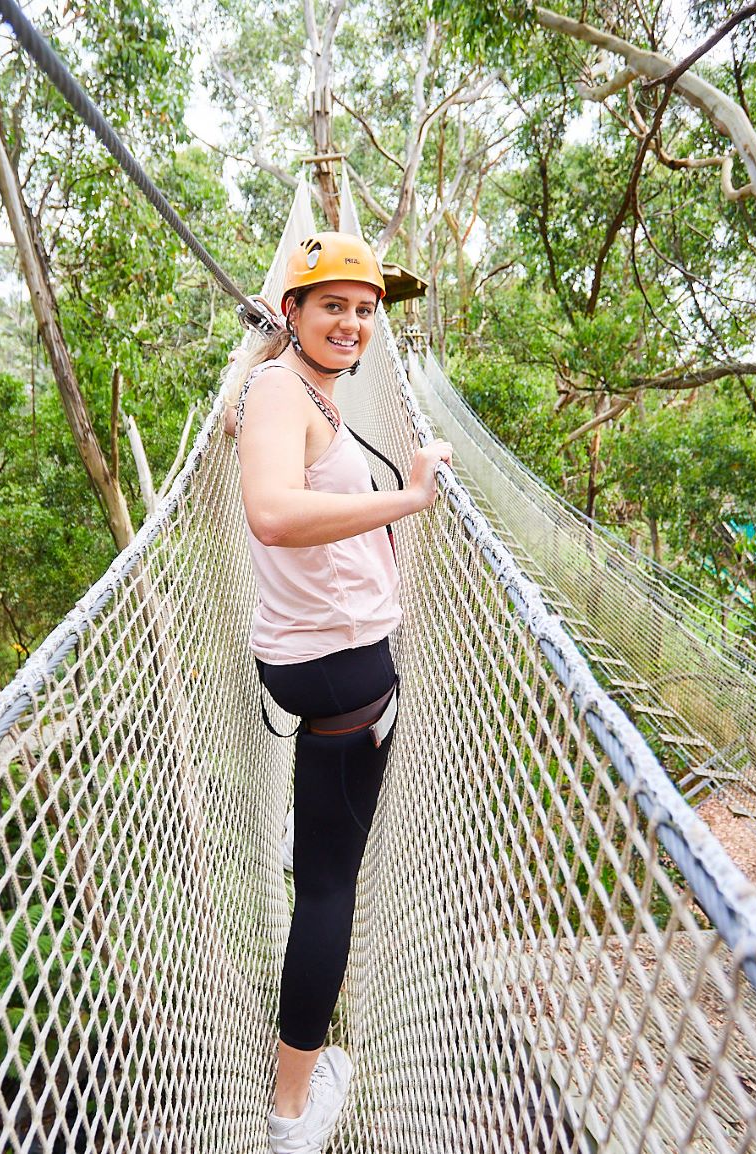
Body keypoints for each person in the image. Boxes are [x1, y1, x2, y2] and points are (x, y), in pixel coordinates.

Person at [231, 231, 452, 1154]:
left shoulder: (286, 383)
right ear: (293, 312)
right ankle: (295, 1111)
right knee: (329, 894)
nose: (355, 323)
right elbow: (274, 513)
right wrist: (409, 498)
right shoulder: (283, 389)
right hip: (340, 671)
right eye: (333, 306)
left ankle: (309, 814)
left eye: (365, 309)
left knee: (320, 860)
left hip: (306, 663)